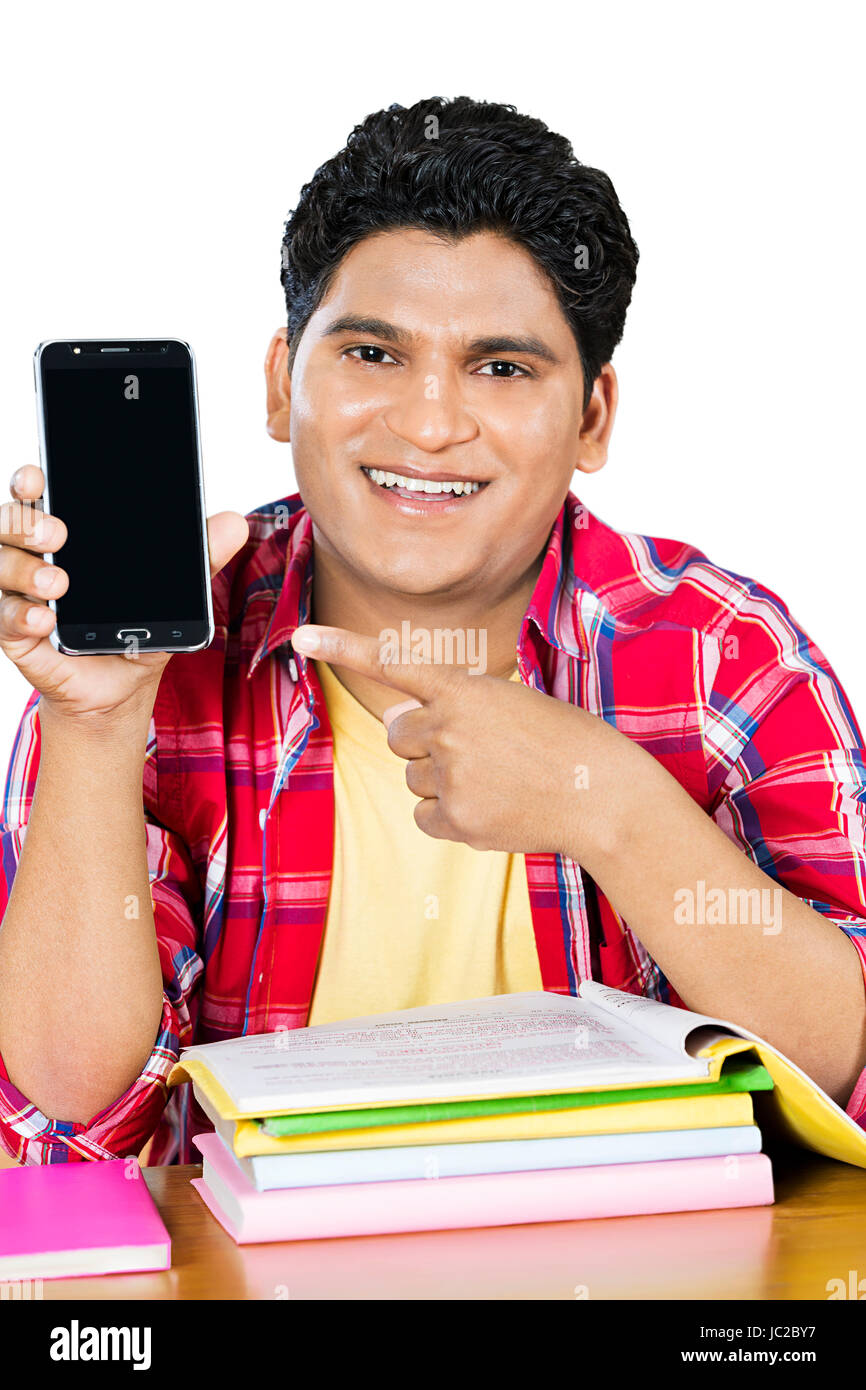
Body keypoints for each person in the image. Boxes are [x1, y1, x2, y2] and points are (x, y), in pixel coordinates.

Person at [1, 96, 864, 1166]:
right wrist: (93, 729)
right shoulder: (141, 669)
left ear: (592, 416)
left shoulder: (724, 653)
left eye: (500, 369)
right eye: (371, 354)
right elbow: (73, 1116)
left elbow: (840, 1071)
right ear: (281, 384)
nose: (426, 424)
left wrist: (611, 806)